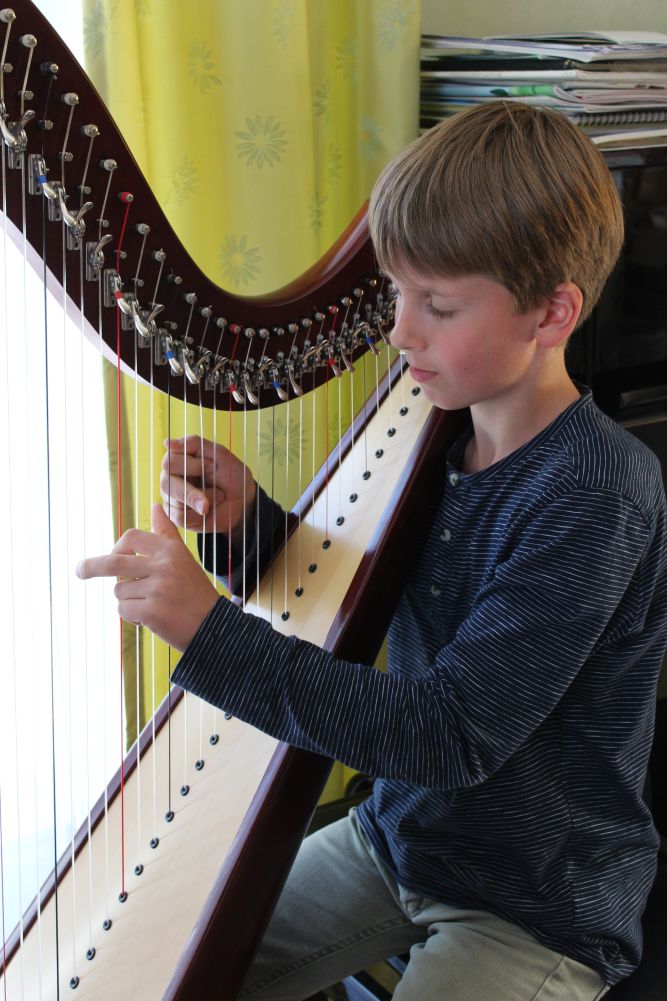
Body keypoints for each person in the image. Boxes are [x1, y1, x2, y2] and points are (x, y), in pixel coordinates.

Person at [77, 101, 667, 1000]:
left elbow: (448, 735)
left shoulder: (592, 494)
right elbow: (360, 587)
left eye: (436, 304)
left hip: (531, 898)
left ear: (552, 313)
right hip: (397, 840)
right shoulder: (446, 433)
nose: (399, 331)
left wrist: (208, 632)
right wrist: (247, 526)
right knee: (149, 974)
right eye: (395, 293)